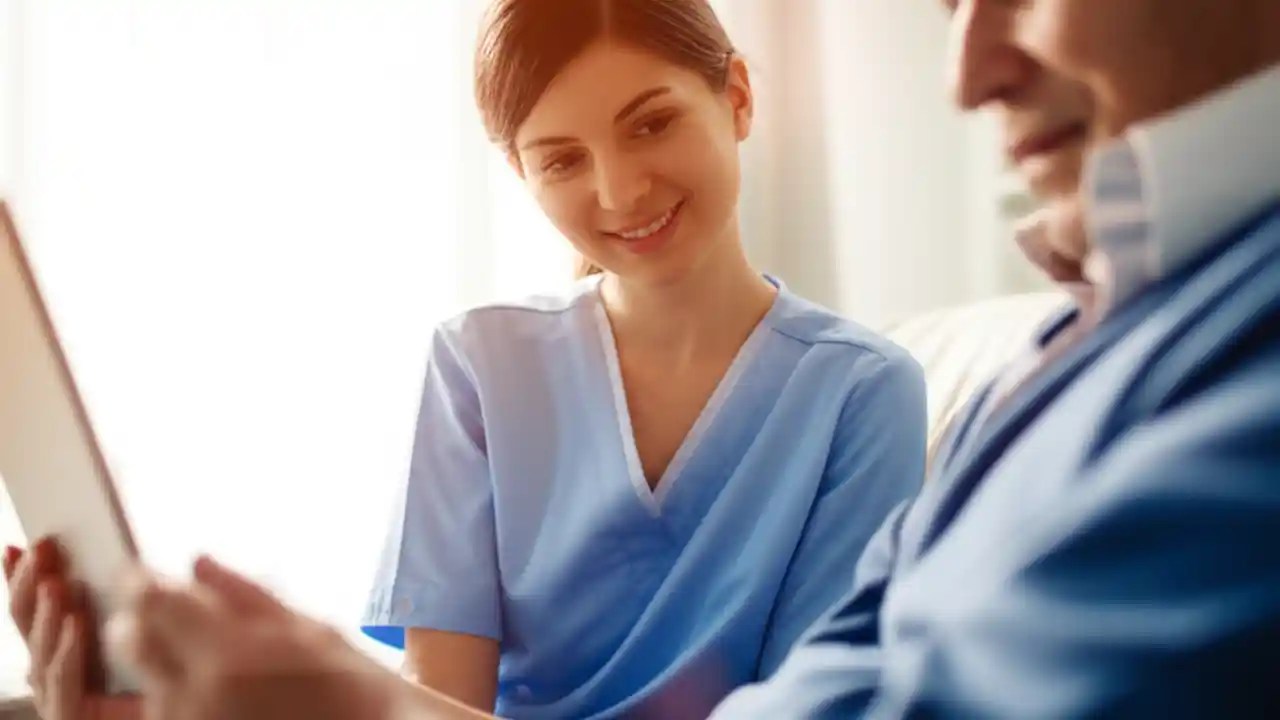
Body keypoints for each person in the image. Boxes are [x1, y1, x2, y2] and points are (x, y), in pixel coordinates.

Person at [15, 0, 1280, 716]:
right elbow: (444, 686)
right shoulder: (478, 363)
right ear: (516, 177)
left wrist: (352, 709)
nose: (617, 188)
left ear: (737, 98)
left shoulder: (862, 388)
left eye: (650, 124)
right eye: (559, 159)